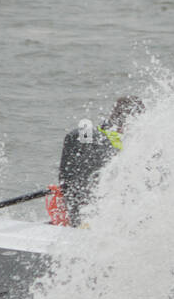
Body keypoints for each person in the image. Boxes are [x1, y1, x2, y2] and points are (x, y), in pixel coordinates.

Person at [55, 96, 145, 224]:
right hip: (111, 220)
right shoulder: (133, 147)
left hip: (77, 215)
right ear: (133, 122)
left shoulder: (88, 136)